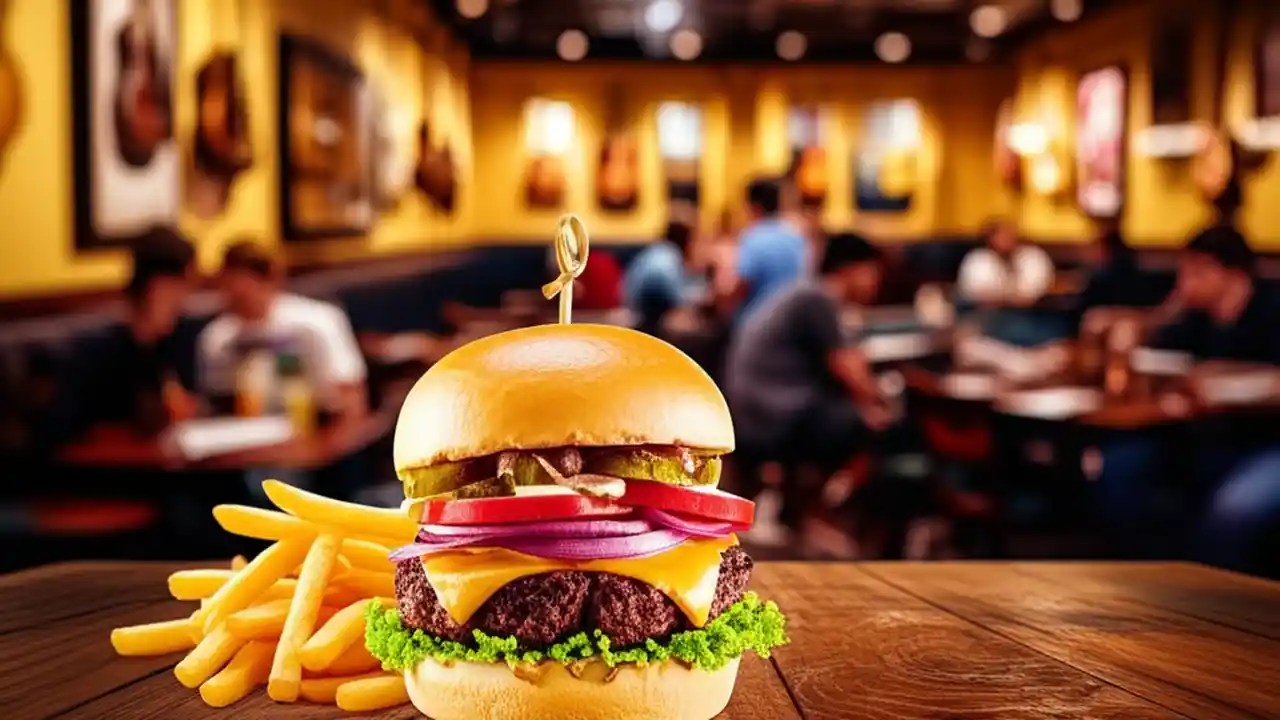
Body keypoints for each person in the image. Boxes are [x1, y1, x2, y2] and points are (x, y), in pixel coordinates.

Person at [1094, 224, 1280, 575]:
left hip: (1267, 443)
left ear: (1229, 273)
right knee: (1120, 468)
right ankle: (1151, 586)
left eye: (1194, 272)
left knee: (1234, 512)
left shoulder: (1272, 309)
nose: (1183, 282)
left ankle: (1222, 608)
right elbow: (1155, 358)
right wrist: (1157, 316)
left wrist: (1219, 385)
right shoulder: (1196, 316)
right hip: (1203, 437)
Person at [726, 233, 890, 527]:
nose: (875, 282)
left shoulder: (804, 293)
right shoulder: (818, 297)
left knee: (850, 413)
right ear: (848, 269)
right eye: (871, 272)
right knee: (873, 425)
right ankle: (824, 513)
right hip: (770, 414)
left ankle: (801, 510)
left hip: (755, 407)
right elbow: (846, 367)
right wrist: (881, 402)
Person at [198, 241, 368, 421]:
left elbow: (352, 399)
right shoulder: (217, 337)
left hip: (313, 427)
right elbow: (217, 403)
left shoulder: (317, 322)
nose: (235, 296)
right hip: (247, 431)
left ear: (272, 280)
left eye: (244, 291)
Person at [72, 228, 199, 434]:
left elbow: (185, 407)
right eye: (180, 287)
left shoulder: (179, 339)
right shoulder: (96, 354)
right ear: (155, 286)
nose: (184, 299)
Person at [957, 220, 1057, 345]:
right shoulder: (978, 259)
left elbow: (1030, 298)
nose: (1006, 240)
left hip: (1031, 316)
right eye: (1000, 236)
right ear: (990, 239)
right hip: (985, 317)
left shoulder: (1033, 257)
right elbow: (974, 294)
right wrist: (1009, 298)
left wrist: (1001, 298)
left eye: (1009, 235)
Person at [732, 177, 808, 321]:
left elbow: (742, 284)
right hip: (791, 318)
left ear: (753, 206)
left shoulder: (753, 237)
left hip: (757, 321)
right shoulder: (795, 236)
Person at [623, 218, 699, 334]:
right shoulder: (669, 257)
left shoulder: (654, 251)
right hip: (651, 326)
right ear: (685, 239)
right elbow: (672, 296)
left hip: (635, 315)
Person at [1072, 223, 1153, 330]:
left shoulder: (1127, 278)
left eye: (1096, 248)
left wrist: (1108, 316)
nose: (1089, 253)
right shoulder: (1094, 278)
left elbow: (1143, 312)